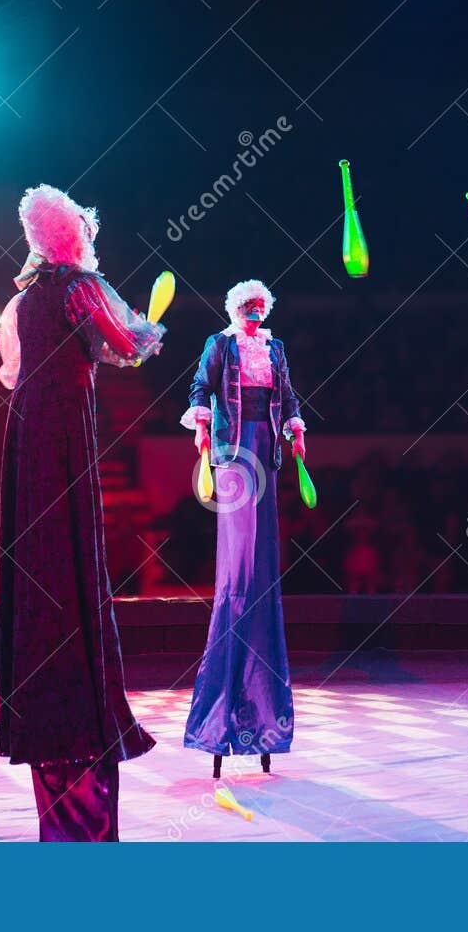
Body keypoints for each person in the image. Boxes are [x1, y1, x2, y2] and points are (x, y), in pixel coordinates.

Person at [0, 184, 165, 841]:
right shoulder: (80, 290)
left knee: (42, 582)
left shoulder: (20, 300)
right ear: (75, 238)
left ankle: (50, 709)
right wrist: (149, 328)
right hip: (63, 444)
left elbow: (12, 374)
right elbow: (128, 347)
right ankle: (80, 710)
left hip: (27, 441)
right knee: (71, 579)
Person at [180, 279, 304, 778]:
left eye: (259, 306)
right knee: (239, 564)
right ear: (233, 310)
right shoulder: (220, 344)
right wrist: (204, 427)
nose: (253, 313)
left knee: (262, 567)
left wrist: (295, 432)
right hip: (233, 454)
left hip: (267, 453)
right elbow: (199, 387)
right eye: (246, 307)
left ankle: (262, 714)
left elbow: (289, 396)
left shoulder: (275, 347)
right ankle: (219, 714)